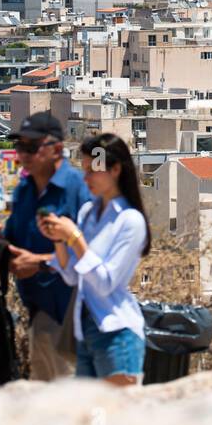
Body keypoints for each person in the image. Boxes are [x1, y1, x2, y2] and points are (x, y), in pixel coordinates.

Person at [38, 133, 150, 385]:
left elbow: (105, 282)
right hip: (86, 330)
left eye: (93, 170)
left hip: (117, 332)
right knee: (92, 418)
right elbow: (71, 276)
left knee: (118, 416)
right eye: (84, 169)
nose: (85, 177)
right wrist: (58, 239)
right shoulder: (89, 212)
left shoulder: (130, 221)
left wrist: (75, 238)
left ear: (116, 169)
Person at [0, 112, 93, 381]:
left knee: (71, 406)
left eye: (31, 147)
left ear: (57, 149)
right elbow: (16, 236)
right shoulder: (24, 189)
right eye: (20, 146)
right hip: (39, 315)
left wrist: (38, 263)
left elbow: (93, 255)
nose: (23, 154)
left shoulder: (79, 190)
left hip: (73, 319)